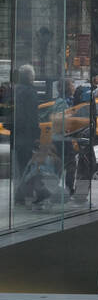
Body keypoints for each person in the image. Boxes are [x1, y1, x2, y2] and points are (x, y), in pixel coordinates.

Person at [11, 64, 40, 206]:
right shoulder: (30, 92)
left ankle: (24, 194)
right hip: (27, 135)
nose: (34, 78)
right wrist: (36, 135)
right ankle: (23, 195)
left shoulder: (15, 91)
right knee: (28, 166)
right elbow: (32, 117)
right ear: (29, 76)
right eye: (33, 75)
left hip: (17, 135)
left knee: (22, 166)